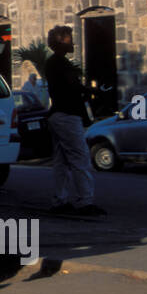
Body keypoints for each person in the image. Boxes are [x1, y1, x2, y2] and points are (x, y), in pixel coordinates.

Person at [44, 25, 105, 215]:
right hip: (67, 116)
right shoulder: (60, 63)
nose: (73, 42)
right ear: (60, 41)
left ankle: (59, 200)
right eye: (69, 38)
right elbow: (74, 86)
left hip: (58, 115)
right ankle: (84, 201)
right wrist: (92, 91)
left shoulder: (53, 63)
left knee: (61, 161)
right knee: (80, 157)